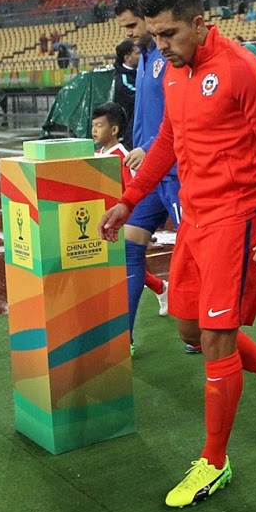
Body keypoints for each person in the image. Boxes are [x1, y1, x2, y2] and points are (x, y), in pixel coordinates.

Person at [99, 0, 256, 508]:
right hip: (194, 219)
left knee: (216, 340)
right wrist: (131, 196)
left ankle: (214, 462)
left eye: (168, 33)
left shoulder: (242, 69)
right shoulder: (172, 70)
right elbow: (169, 138)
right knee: (190, 329)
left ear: (199, 22)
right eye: (153, 35)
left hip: (238, 221)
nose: (160, 45)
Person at [112, 0, 186, 346]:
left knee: (194, 255)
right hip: (148, 173)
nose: (128, 32)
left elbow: (180, 115)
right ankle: (122, 339)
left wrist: (151, 146)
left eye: (131, 25)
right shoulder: (142, 59)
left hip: (175, 172)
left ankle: (199, 329)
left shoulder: (171, 56)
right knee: (129, 250)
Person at [90, 101, 169, 344]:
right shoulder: (95, 155)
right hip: (104, 221)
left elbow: (135, 190)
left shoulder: (124, 158)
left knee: (125, 264)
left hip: (121, 223)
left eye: (99, 126)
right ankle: (162, 289)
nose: (94, 130)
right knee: (124, 266)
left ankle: (126, 333)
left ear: (114, 130)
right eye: (92, 126)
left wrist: (138, 221)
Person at [112, 36, 140, 120]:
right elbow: (141, 96)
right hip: (130, 128)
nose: (142, 55)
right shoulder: (123, 79)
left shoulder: (136, 72)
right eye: (138, 53)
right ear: (127, 58)